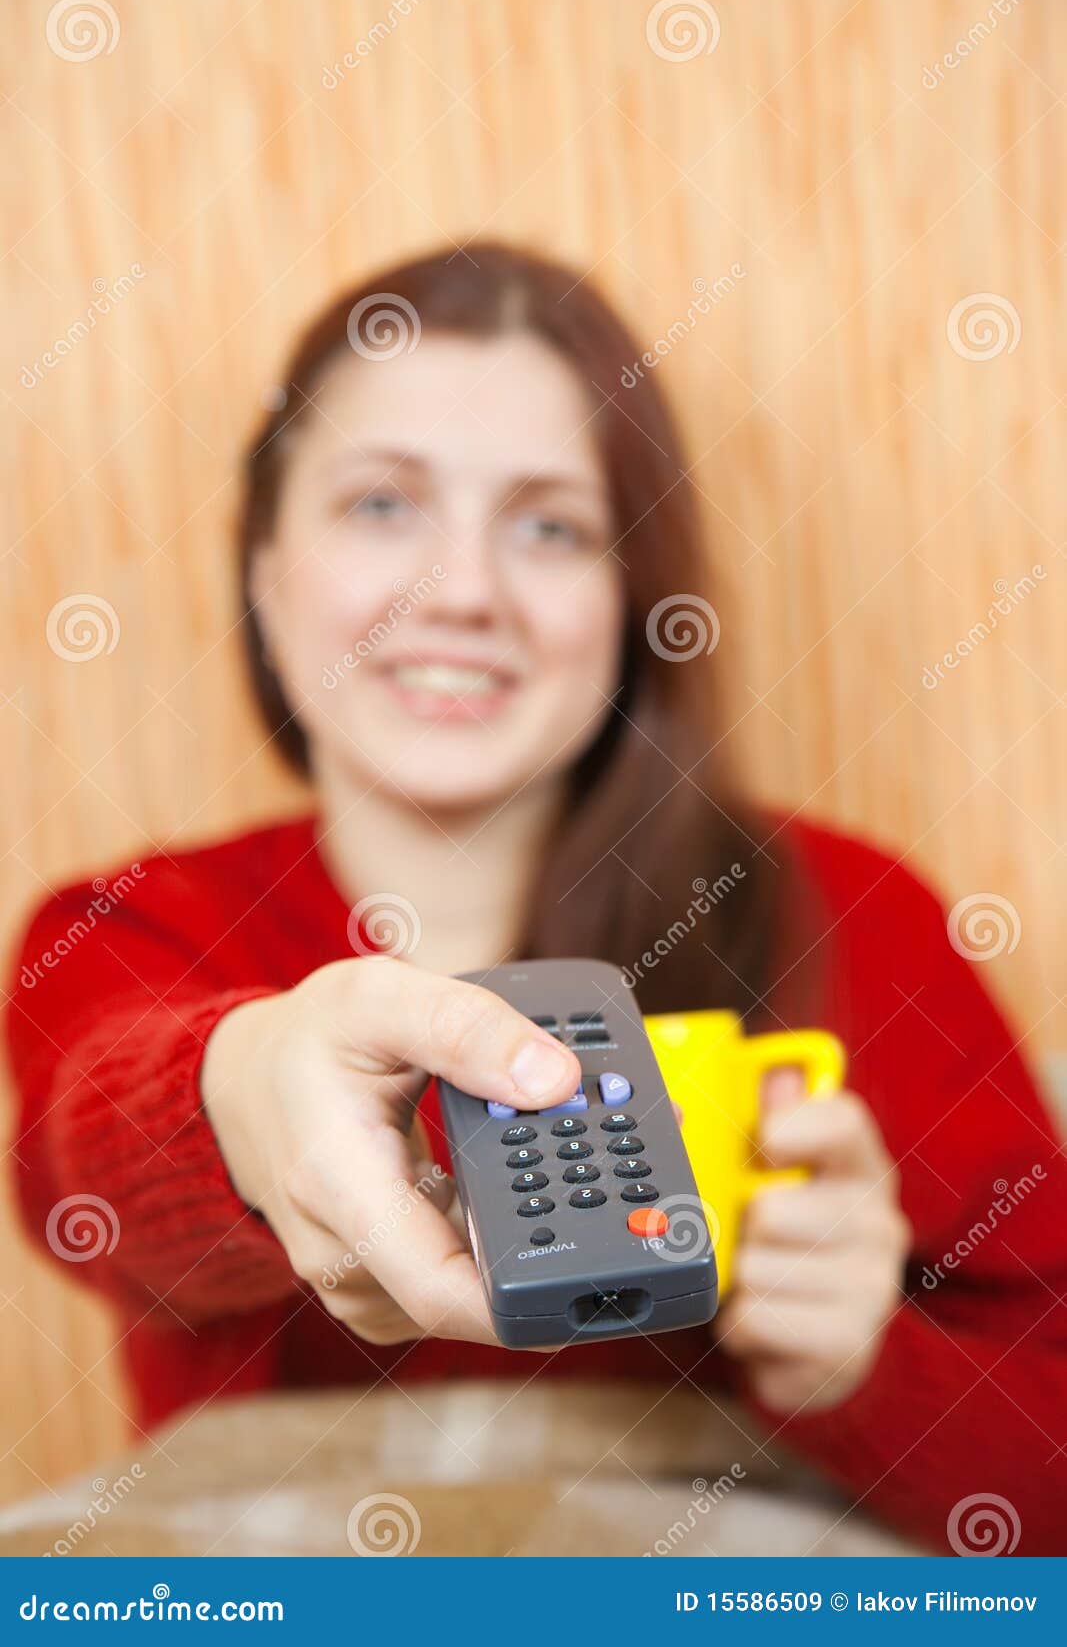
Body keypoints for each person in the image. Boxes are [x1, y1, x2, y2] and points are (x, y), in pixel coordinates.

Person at [8, 242, 1064, 1554]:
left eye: (552, 525)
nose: (461, 591)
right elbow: (77, 1173)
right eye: (383, 504)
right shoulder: (127, 927)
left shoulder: (855, 916)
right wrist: (244, 1082)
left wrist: (867, 1369)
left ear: (631, 599)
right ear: (266, 572)